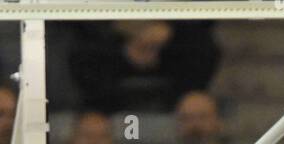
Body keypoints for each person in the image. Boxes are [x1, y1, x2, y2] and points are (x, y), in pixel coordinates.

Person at [68, 20, 219, 115]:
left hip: (175, 53)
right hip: (107, 53)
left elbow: (207, 20)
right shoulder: (92, 46)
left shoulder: (191, 42)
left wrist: (171, 30)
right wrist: (123, 48)